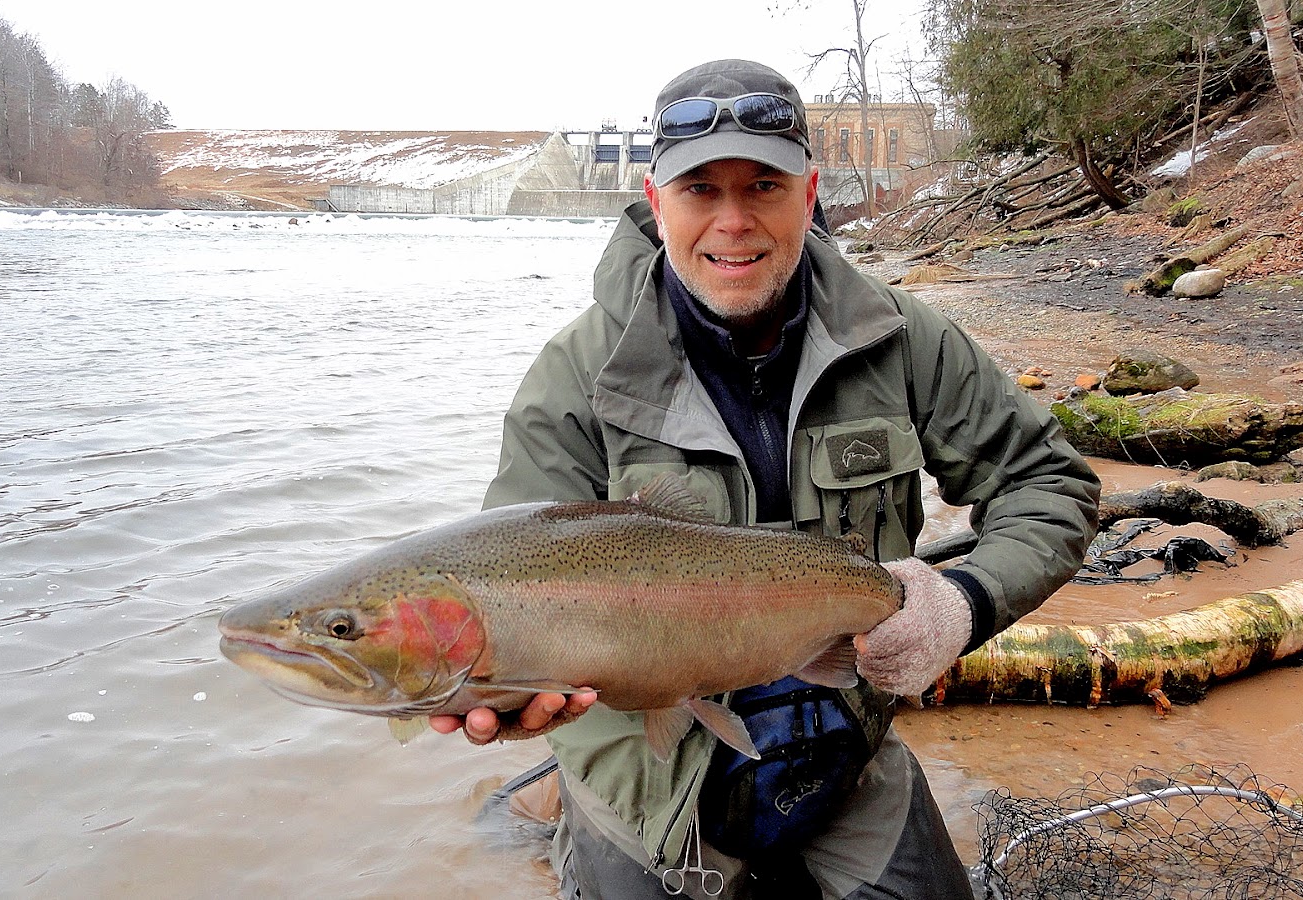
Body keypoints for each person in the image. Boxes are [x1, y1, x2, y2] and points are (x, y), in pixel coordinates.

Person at [433, 59, 1100, 899]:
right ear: (655, 197)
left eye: (764, 187)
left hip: (846, 748)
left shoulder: (903, 338)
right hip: (650, 777)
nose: (734, 223)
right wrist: (508, 681)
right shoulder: (577, 375)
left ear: (811, 191)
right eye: (701, 190)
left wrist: (963, 602)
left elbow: (1049, 481)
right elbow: (504, 573)